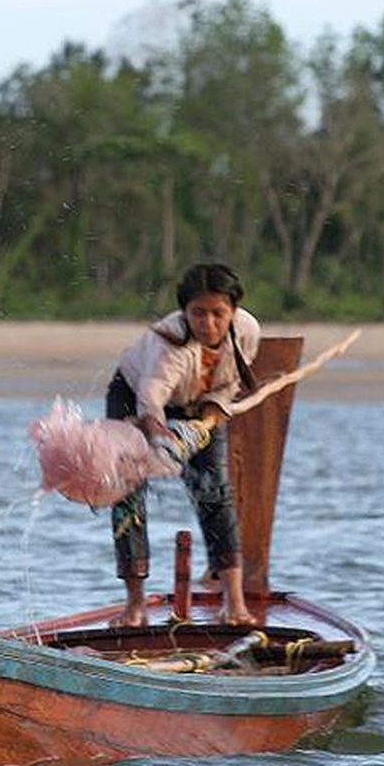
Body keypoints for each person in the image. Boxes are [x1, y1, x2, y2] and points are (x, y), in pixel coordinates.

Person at [107, 263, 261, 627]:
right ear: (184, 313)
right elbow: (150, 398)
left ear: (233, 312)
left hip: (203, 405)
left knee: (215, 493)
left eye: (218, 314)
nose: (208, 324)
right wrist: (160, 438)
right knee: (127, 494)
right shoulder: (167, 342)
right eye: (198, 314)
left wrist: (205, 421)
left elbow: (229, 385)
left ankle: (234, 604)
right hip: (136, 402)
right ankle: (135, 606)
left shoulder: (248, 332)